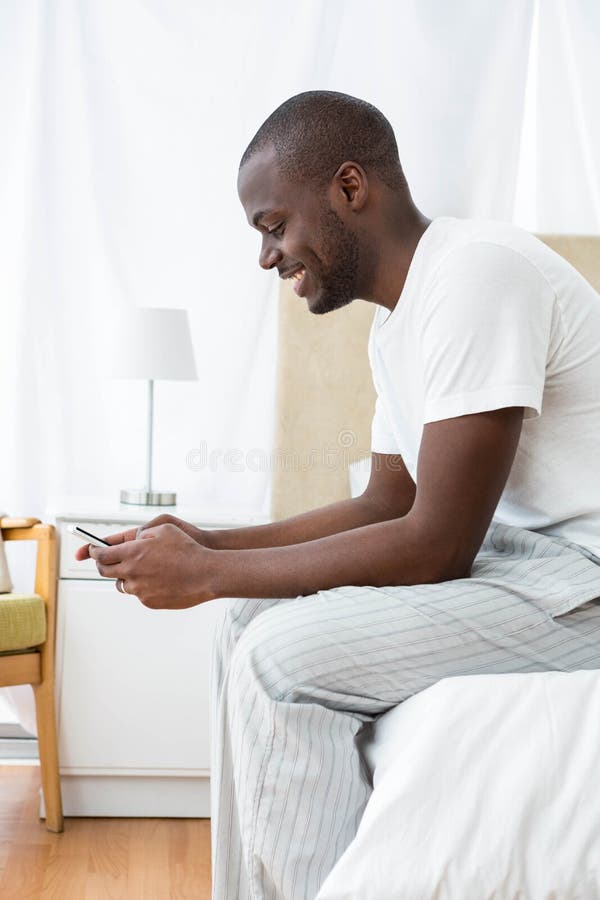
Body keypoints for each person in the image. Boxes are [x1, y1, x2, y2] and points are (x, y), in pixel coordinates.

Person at [80, 91, 600, 900]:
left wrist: (207, 573)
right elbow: (385, 504)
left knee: (283, 662)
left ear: (350, 189)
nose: (266, 257)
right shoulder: (398, 323)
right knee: (245, 627)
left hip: (584, 582)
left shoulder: (476, 275)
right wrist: (209, 542)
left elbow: (435, 546)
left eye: (273, 225)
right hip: (526, 569)